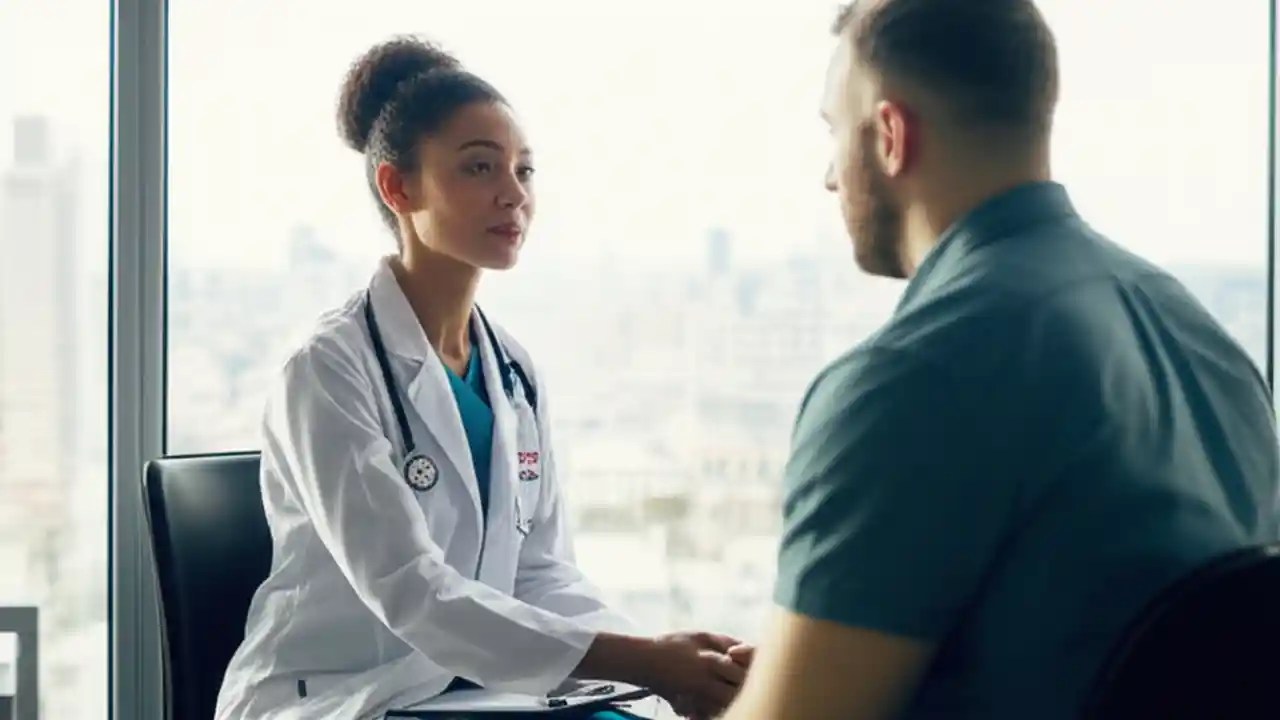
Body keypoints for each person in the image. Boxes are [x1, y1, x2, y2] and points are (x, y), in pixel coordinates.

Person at [721, 1, 1280, 719]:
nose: (831, 177)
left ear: (890, 136)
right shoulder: (1199, 336)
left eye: (835, 133)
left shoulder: (911, 379)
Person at [215, 37, 749, 720]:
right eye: (478, 168)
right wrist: (646, 661)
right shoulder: (327, 370)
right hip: (343, 696)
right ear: (397, 186)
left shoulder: (514, 373)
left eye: (525, 171)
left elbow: (540, 573)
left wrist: (674, 665)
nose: (513, 195)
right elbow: (412, 592)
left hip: (475, 695)